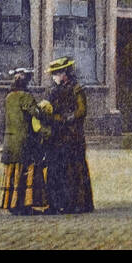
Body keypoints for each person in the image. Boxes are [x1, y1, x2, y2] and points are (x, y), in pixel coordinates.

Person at [42, 57, 94, 214]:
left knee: (74, 169)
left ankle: (77, 203)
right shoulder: (52, 91)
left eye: (56, 74)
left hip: (72, 136)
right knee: (56, 169)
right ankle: (57, 203)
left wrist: (66, 119)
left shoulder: (76, 89)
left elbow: (81, 111)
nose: (54, 77)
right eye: (53, 75)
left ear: (64, 73)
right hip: (56, 136)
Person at [0, 68, 48, 214]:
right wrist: (44, 110)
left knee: (13, 172)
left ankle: (11, 203)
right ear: (26, 82)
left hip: (10, 140)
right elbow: (36, 113)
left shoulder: (9, 97)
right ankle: (25, 204)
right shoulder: (26, 97)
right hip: (24, 140)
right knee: (27, 171)